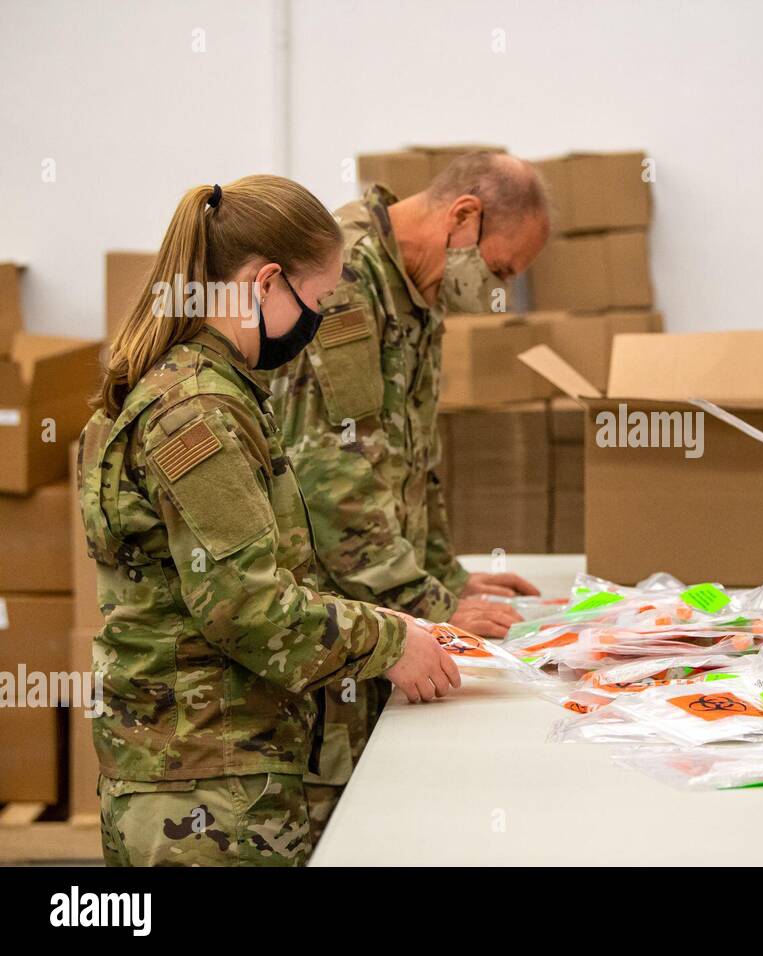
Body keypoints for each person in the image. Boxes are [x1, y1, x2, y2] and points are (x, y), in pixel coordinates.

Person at [78, 176, 460, 866]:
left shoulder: (205, 387)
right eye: (318, 301)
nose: (318, 322)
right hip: (206, 791)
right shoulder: (198, 414)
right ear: (265, 283)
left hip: (200, 768)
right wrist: (390, 640)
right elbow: (246, 608)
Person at [266, 151, 551, 840]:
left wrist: (446, 574)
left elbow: (413, 458)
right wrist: (430, 605)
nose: (499, 291)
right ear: (464, 217)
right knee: (342, 827)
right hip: (328, 621)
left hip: (378, 609)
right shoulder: (347, 281)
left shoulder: (414, 289)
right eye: (501, 270)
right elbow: (330, 478)